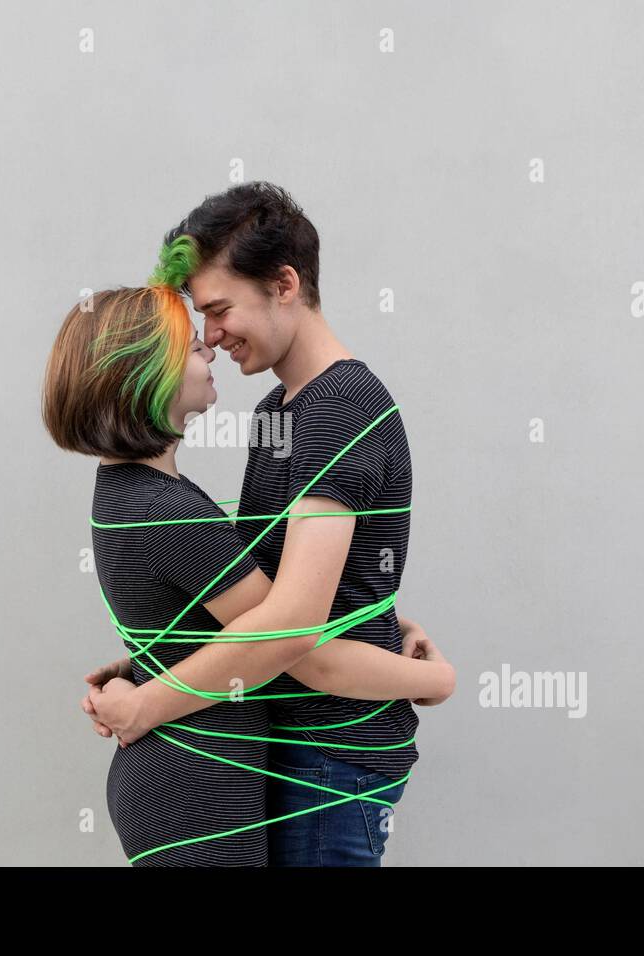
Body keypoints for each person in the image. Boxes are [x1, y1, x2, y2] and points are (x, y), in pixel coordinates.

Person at [44, 240, 453, 866]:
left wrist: (384, 622)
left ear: (284, 285)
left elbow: (246, 609)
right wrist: (437, 680)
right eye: (191, 338)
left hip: (199, 781)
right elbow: (291, 637)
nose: (209, 343)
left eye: (215, 313)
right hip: (198, 787)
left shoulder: (141, 494)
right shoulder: (165, 508)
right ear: (143, 372)